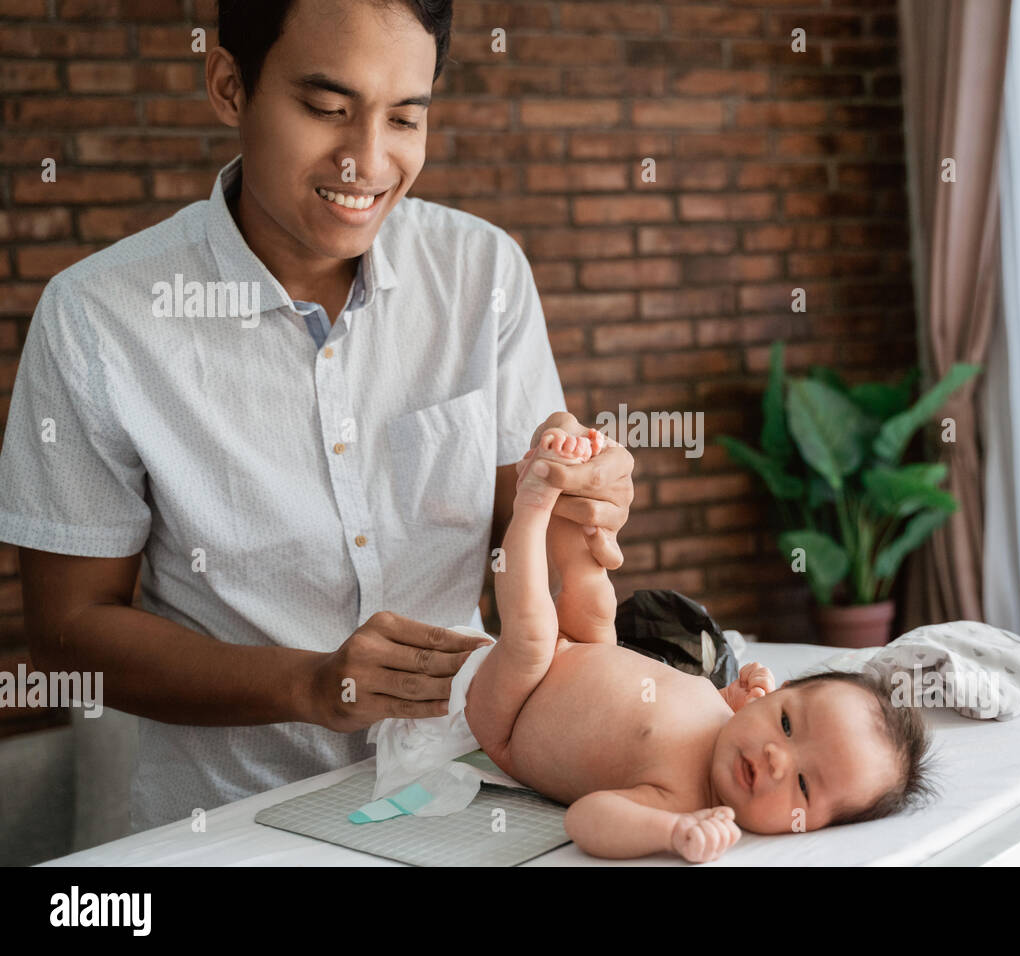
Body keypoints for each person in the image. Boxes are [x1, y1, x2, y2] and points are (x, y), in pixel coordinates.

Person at [0, 0, 633, 832]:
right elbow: (69, 633)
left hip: (465, 792)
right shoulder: (98, 318)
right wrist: (307, 684)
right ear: (230, 85)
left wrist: (576, 494)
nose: (367, 160)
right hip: (227, 822)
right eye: (328, 109)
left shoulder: (483, 272)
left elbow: (523, 508)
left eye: (405, 117)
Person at [460, 428, 933, 862]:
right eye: (786, 723)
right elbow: (693, 696)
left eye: (804, 785)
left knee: (533, 636)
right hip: (586, 648)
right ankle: (565, 480)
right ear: (781, 692)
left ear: (808, 828)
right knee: (596, 600)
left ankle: (533, 505)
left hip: (511, 713)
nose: (775, 757)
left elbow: (586, 819)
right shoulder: (730, 715)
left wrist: (669, 831)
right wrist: (735, 695)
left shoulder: (685, 797)